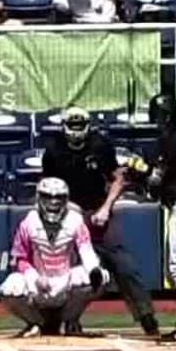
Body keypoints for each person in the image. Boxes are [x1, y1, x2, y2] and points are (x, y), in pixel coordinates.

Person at [42, 107, 159, 336]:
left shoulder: (100, 145)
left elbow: (117, 178)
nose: (76, 131)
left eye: (80, 126)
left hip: (98, 212)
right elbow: (47, 188)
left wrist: (106, 208)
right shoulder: (53, 151)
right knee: (64, 268)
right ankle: (61, 318)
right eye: (72, 126)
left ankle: (146, 316)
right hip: (67, 215)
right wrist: (65, 208)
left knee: (124, 265)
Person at [125, 92, 176, 345]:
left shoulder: (174, 140)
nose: (156, 121)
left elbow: (157, 178)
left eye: (158, 116)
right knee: (175, 271)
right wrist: (140, 172)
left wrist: (139, 170)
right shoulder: (170, 138)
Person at [0, 178, 108, 336]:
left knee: (101, 277)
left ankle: (69, 320)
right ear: (39, 198)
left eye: (58, 197)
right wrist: (36, 277)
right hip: (37, 284)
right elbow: (19, 259)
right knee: (9, 288)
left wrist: (94, 270)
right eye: (48, 197)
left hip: (65, 282)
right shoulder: (28, 222)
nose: (53, 202)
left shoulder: (75, 221)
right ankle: (37, 323)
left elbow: (86, 251)